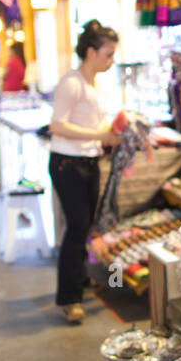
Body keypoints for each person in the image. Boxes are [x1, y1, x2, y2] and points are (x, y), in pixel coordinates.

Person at [49, 20, 120, 325]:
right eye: (108, 54)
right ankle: (69, 297)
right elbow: (57, 125)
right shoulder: (72, 83)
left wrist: (110, 134)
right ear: (91, 52)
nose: (111, 60)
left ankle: (79, 280)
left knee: (85, 225)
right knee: (76, 228)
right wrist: (100, 136)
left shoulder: (93, 84)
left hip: (88, 161)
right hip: (68, 163)